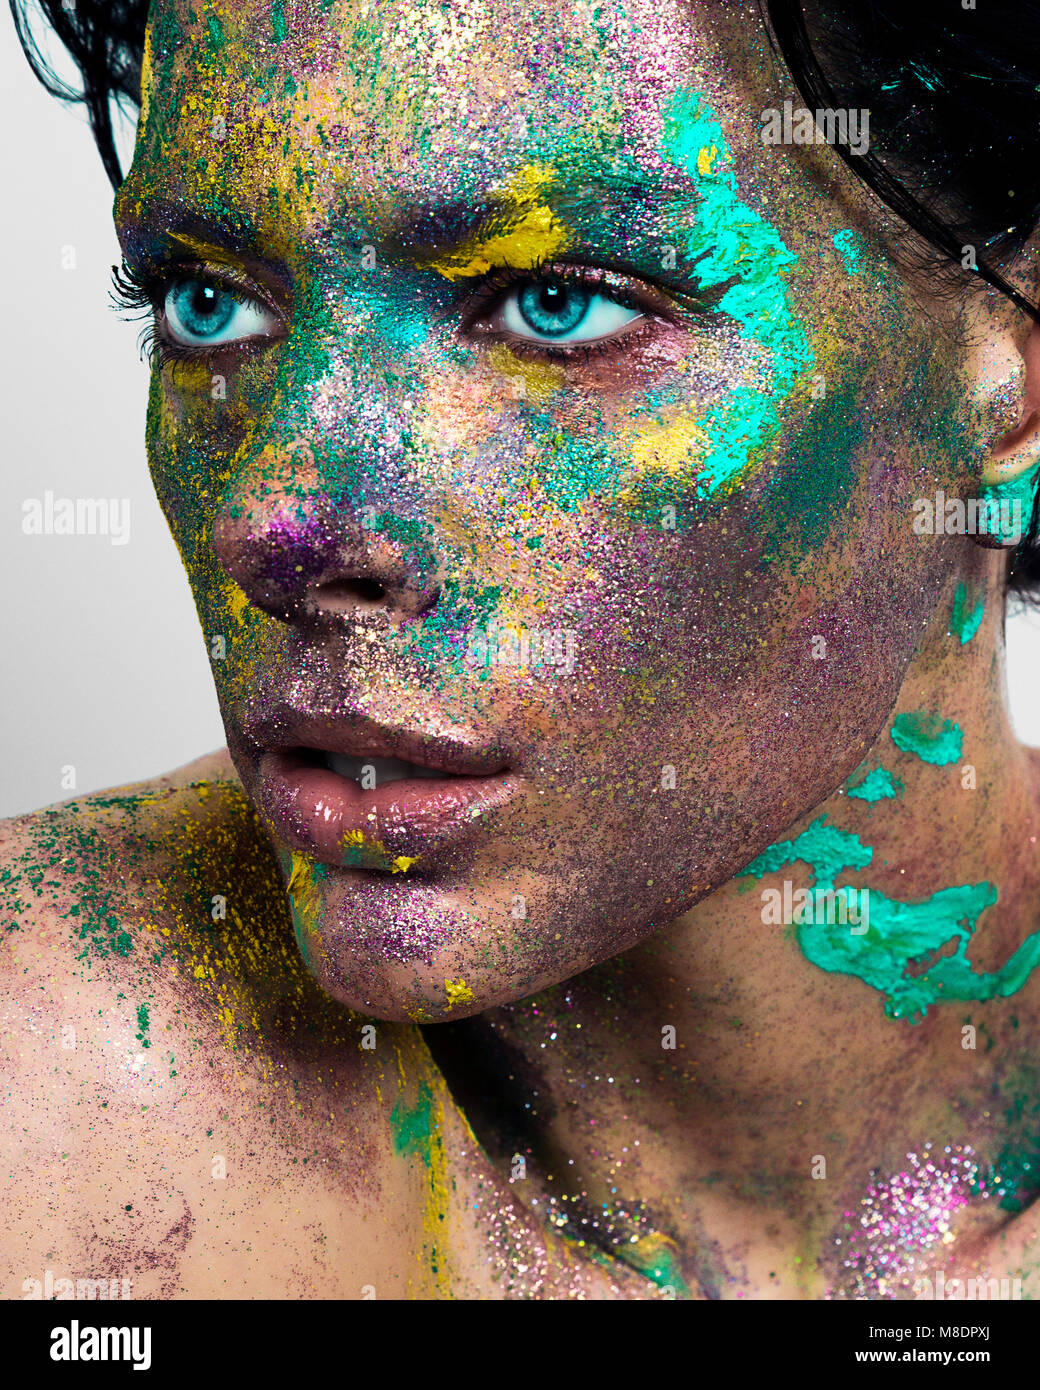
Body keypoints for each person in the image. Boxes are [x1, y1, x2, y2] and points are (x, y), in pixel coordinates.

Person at [5, 0, 1040, 1301]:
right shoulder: (68, 1104)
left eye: (558, 307)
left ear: (1015, 374)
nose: (278, 513)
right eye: (207, 303)